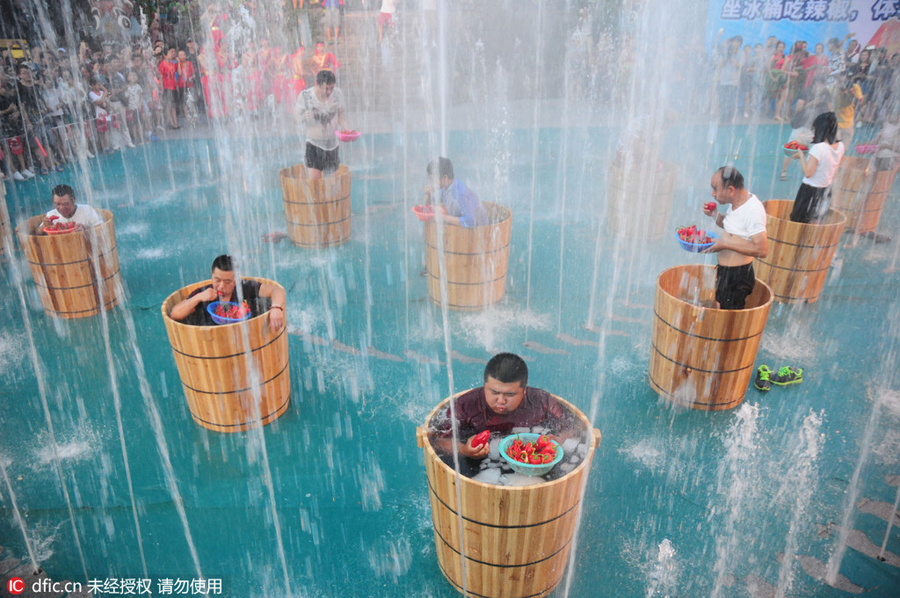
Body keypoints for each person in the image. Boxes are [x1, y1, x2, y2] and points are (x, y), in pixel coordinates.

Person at [433, 353, 573, 461]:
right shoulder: (465, 405)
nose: (501, 401)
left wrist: (559, 439)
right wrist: (464, 449)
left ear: (524, 391)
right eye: (494, 392)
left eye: (509, 394)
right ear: (485, 386)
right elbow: (441, 440)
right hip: (482, 462)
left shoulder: (541, 402)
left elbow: (573, 426)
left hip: (531, 460)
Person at [702, 166, 768, 310]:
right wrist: (715, 215)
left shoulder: (753, 211)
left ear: (730, 190)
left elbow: (762, 250)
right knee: (721, 307)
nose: (713, 193)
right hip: (727, 272)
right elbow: (729, 227)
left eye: (715, 188)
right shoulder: (737, 203)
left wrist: (724, 245)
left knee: (730, 317)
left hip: (738, 276)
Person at [168, 254, 286, 330]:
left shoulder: (244, 288)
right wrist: (198, 298)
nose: (221, 286)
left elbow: (276, 290)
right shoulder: (203, 293)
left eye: (227, 282)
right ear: (212, 276)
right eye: (217, 280)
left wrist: (276, 307)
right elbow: (174, 314)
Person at [790, 112, 845, 223]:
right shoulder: (840, 146)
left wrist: (801, 155)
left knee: (800, 221)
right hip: (826, 190)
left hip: (810, 191)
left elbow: (808, 173)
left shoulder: (819, 148)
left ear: (820, 129)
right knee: (816, 220)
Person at [295, 69, 348, 179]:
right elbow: (295, 119)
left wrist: (345, 126)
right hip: (314, 144)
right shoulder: (306, 96)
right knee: (314, 183)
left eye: (331, 88)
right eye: (326, 88)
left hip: (332, 145)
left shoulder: (337, 94)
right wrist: (304, 117)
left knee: (332, 184)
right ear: (317, 84)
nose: (329, 92)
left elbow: (340, 115)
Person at [424, 157, 489, 228]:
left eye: (434, 179)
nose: (432, 182)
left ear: (445, 178)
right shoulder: (445, 189)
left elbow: (471, 221)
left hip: (480, 228)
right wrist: (428, 195)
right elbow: (428, 208)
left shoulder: (460, 194)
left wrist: (444, 217)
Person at [39, 184, 104, 233]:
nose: (62, 208)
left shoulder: (87, 210)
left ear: (73, 200)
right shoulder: (51, 215)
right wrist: (44, 226)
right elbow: (37, 234)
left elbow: (102, 229)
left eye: (66, 204)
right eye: (57, 204)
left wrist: (86, 229)